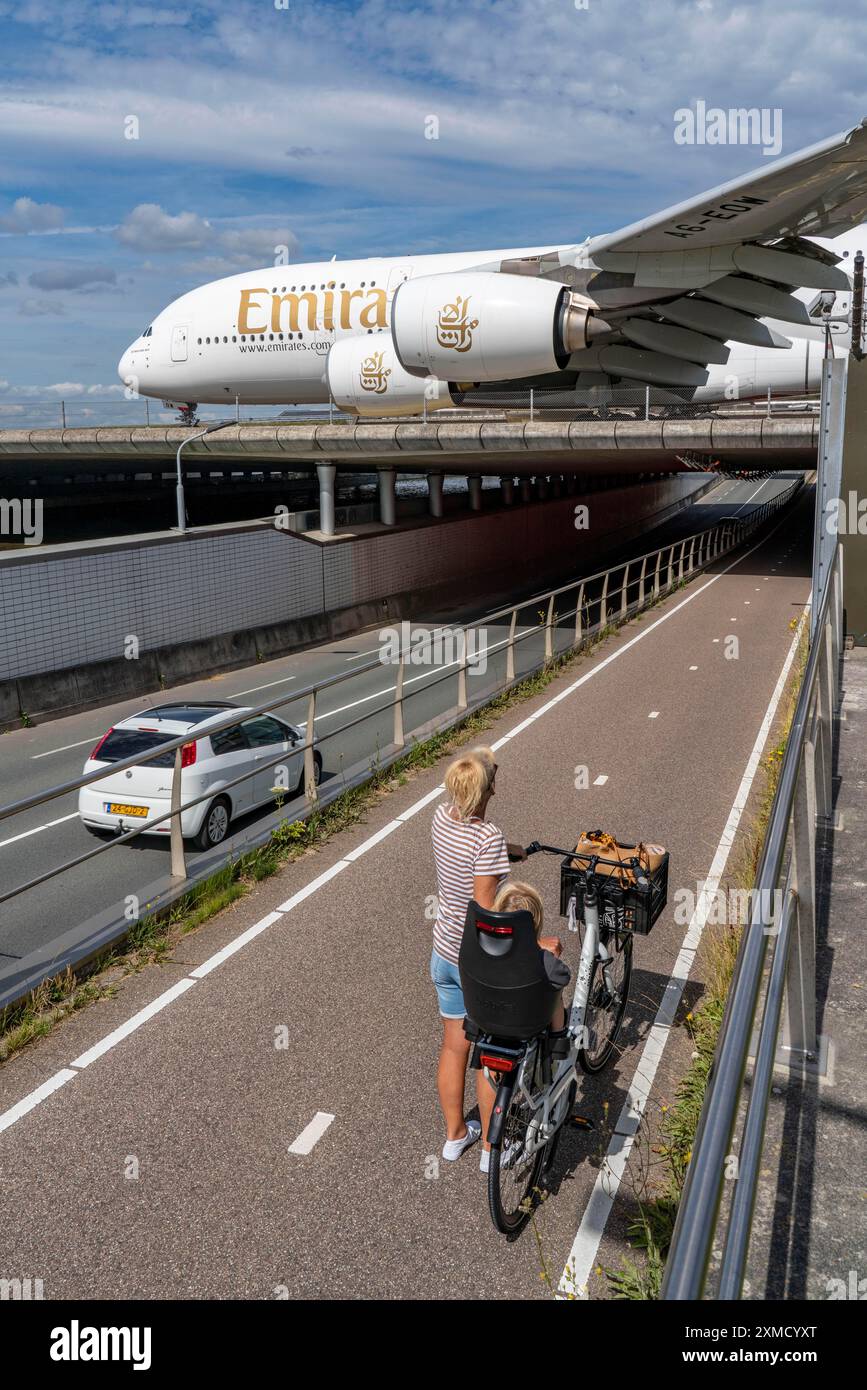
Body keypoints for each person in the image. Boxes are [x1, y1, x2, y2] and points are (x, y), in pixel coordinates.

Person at [430, 748, 525, 1166]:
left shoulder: (439, 817)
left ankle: (454, 1137)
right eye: (492, 785)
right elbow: (484, 913)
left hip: (443, 952)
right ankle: (491, 1147)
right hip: (474, 962)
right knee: (493, 1050)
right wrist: (532, 943)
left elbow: (467, 850)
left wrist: (510, 852)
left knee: (455, 1047)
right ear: (483, 793)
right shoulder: (487, 838)